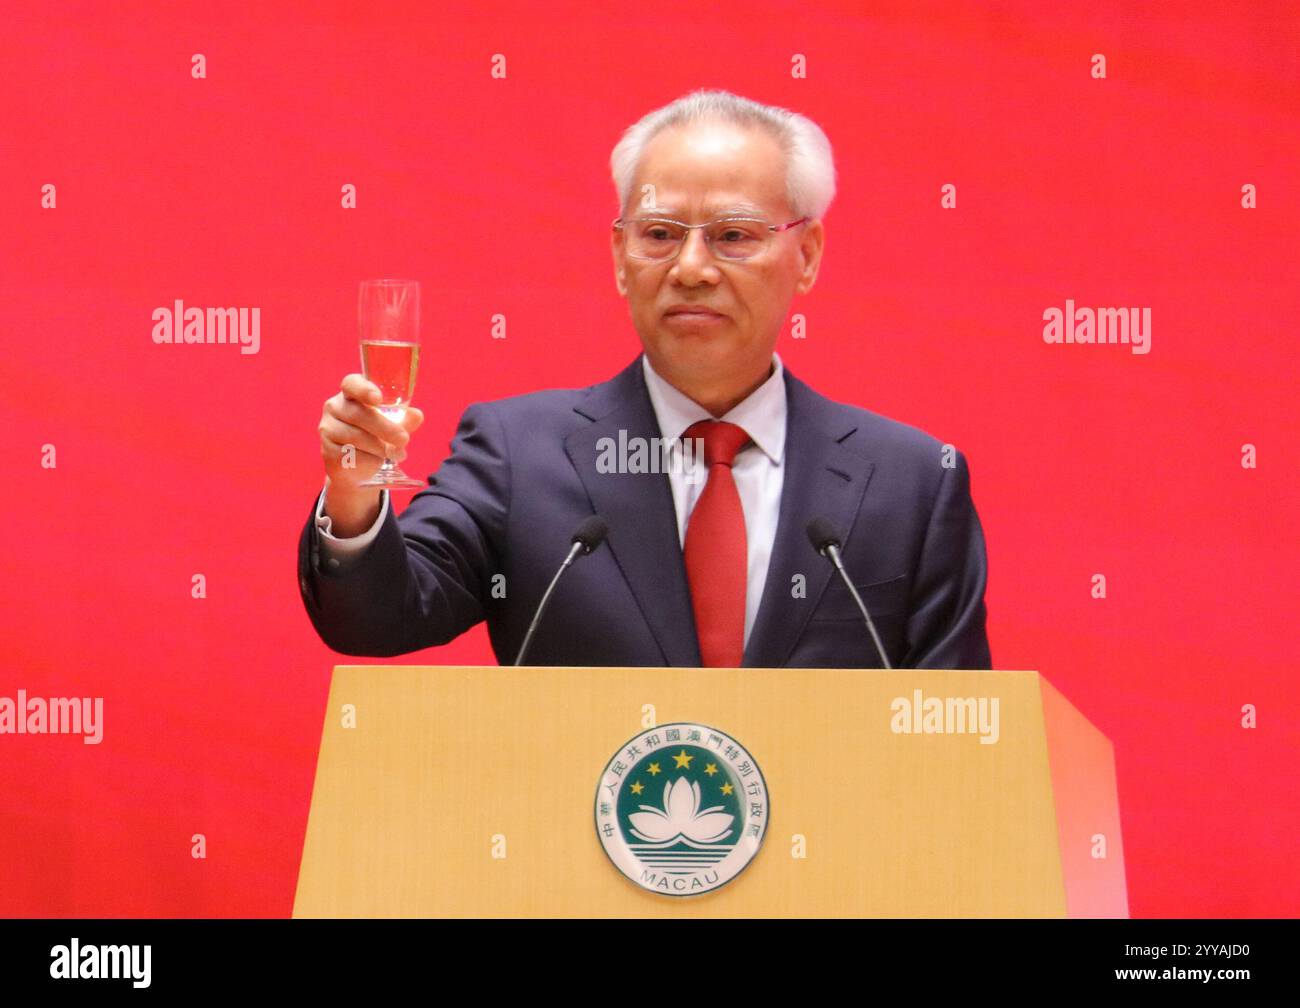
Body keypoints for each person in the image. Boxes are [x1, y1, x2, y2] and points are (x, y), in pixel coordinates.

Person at [298, 89, 991, 669]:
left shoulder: (912, 483)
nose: (691, 267)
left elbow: (960, 744)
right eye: (659, 234)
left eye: (733, 235)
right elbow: (379, 621)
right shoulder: (519, 453)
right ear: (621, 258)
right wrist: (355, 503)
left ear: (805, 254)